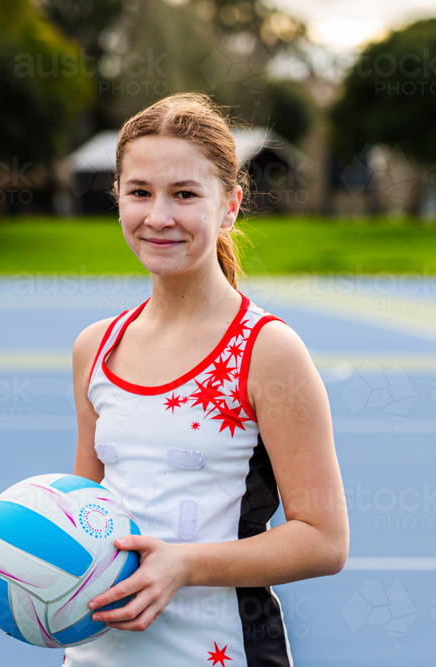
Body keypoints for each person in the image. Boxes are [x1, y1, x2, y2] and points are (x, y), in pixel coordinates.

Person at [65, 92, 349, 666]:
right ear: (117, 196)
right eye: (140, 192)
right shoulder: (95, 348)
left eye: (185, 194)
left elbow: (324, 539)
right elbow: (83, 515)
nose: (159, 216)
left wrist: (186, 564)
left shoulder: (266, 351)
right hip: (99, 656)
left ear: (230, 205)